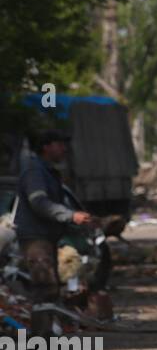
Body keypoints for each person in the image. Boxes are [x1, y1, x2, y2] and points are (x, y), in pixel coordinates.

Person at [13, 129, 93, 308]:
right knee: (45, 289)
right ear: (46, 147)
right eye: (60, 145)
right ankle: (42, 334)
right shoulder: (35, 171)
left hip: (45, 238)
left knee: (51, 290)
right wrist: (70, 215)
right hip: (36, 238)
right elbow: (39, 202)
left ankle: (49, 332)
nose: (64, 149)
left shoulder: (47, 172)